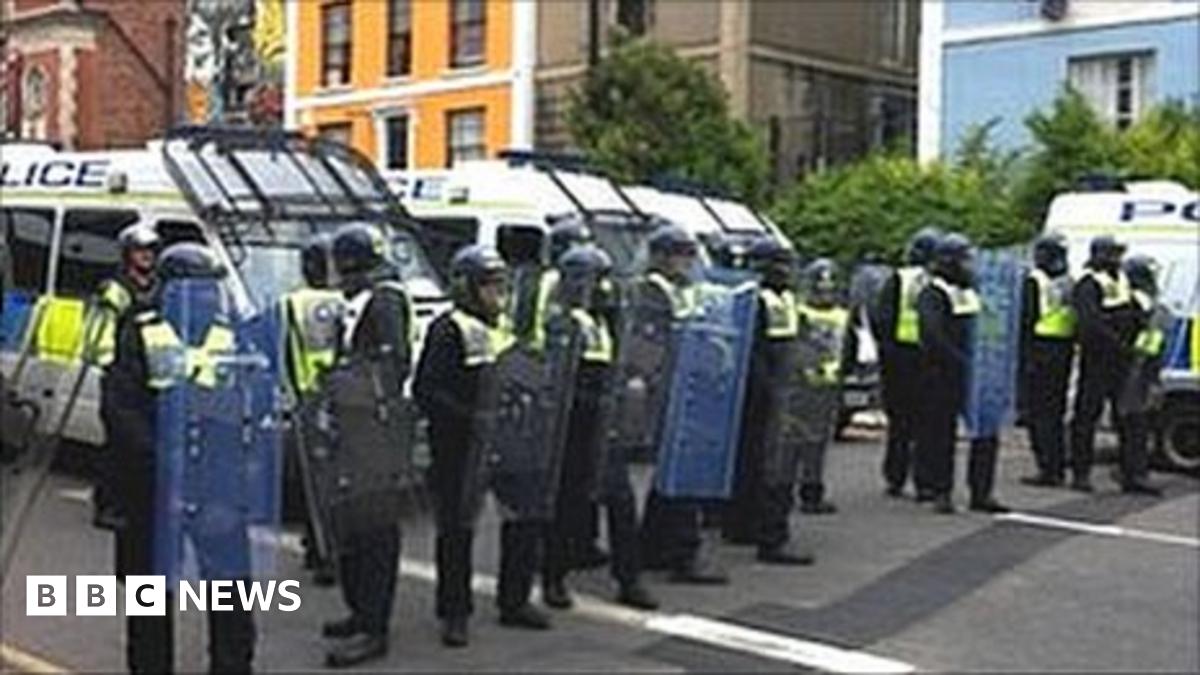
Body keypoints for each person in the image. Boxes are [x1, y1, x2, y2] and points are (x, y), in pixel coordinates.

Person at [109, 242, 255, 673]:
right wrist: (164, 458)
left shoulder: (231, 332)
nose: (208, 297)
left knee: (230, 599)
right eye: (199, 288)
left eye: (212, 289)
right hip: (155, 489)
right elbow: (120, 408)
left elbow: (255, 399)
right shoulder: (139, 328)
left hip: (218, 486)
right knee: (150, 604)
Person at [415, 245, 549, 650]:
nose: (498, 295)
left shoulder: (506, 328)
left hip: (508, 440)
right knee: (457, 529)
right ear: (466, 288)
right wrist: (470, 416)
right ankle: (455, 613)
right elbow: (427, 389)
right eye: (490, 286)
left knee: (522, 518)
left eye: (501, 286)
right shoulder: (448, 328)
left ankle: (515, 600)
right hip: (460, 445)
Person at [541, 243, 660, 611]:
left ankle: (629, 578)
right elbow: (565, 382)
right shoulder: (563, 323)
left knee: (622, 504)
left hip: (607, 430)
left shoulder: (602, 323)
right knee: (569, 507)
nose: (605, 290)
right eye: (598, 281)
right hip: (576, 430)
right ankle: (553, 577)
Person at [322, 224, 413, 668]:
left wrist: (347, 380)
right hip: (352, 431)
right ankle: (359, 611)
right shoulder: (355, 304)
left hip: (375, 434)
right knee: (353, 528)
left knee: (376, 532)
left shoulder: (386, 300)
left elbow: (393, 365)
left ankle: (374, 628)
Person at [637, 225, 729, 584]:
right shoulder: (651, 293)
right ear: (659, 257)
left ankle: (652, 547)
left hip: (689, 389)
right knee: (683, 475)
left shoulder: (685, 291)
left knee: (669, 476)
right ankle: (683, 554)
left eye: (690, 254)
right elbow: (650, 347)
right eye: (679, 254)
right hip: (669, 392)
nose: (686, 262)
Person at [725, 238, 815, 565]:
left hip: (782, 388)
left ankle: (745, 524)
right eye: (782, 265)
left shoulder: (787, 299)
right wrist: (772, 389)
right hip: (764, 392)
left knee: (755, 461)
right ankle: (769, 536)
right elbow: (753, 351)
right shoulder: (753, 298)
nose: (788, 272)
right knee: (768, 465)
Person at [279, 233, 344, 587]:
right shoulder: (346, 301)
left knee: (312, 484)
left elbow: (285, 353)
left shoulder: (292, 303)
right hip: (343, 400)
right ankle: (325, 549)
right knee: (335, 483)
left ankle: (320, 554)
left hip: (308, 399)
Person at [92, 223, 161, 530]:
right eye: (140, 251)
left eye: (150, 251)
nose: (146, 256)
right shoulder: (116, 288)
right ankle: (107, 505)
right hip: (121, 378)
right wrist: (109, 365)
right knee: (118, 447)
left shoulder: (160, 286)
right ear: (127, 254)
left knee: (140, 449)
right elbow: (102, 330)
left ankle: (134, 503)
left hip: (149, 377)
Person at [915, 233, 987, 514]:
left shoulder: (972, 291)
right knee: (940, 434)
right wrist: (962, 361)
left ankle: (981, 492)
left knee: (984, 433)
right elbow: (933, 335)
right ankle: (939, 490)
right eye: (963, 260)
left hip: (974, 372)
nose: (969, 266)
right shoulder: (933, 293)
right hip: (941, 373)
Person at [1067, 236, 1143, 493]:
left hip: (1122, 360)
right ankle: (1081, 474)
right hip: (1098, 359)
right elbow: (1090, 324)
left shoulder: (1122, 281)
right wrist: (1118, 341)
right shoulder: (1088, 283)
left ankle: (1132, 475)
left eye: (1118, 255)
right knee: (1087, 416)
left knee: (1130, 417)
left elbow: (1132, 312)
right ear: (1098, 255)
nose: (1116, 260)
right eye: (1111, 255)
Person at [874, 227, 941, 499]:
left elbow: (882, 318)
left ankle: (895, 477)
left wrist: (886, 352)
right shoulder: (939, 282)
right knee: (926, 423)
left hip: (899, 357)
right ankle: (924, 481)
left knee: (900, 423)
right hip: (928, 356)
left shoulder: (898, 279)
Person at [1018, 234, 1076, 488]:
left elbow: (1025, 319)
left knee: (1038, 413)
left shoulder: (1035, 281)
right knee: (1056, 412)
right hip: (1063, 350)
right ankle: (1058, 464)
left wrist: (1024, 359)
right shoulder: (1068, 282)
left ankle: (1047, 468)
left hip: (1039, 350)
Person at [796, 258, 853, 515]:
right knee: (795, 442)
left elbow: (849, 350)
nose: (825, 293)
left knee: (818, 442)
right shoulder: (800, 314)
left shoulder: (842, 315)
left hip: (827, 386)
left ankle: (812, 490)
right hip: (801, 386)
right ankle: (796, 490)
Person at [1110, 255, 1166, 496]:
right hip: (1134, 367)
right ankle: (1133, 474)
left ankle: (1132, 472)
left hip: (1143, 367)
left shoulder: (1147, 302)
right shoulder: (1133, 303)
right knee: (1134, 423)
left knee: (1137, 423)